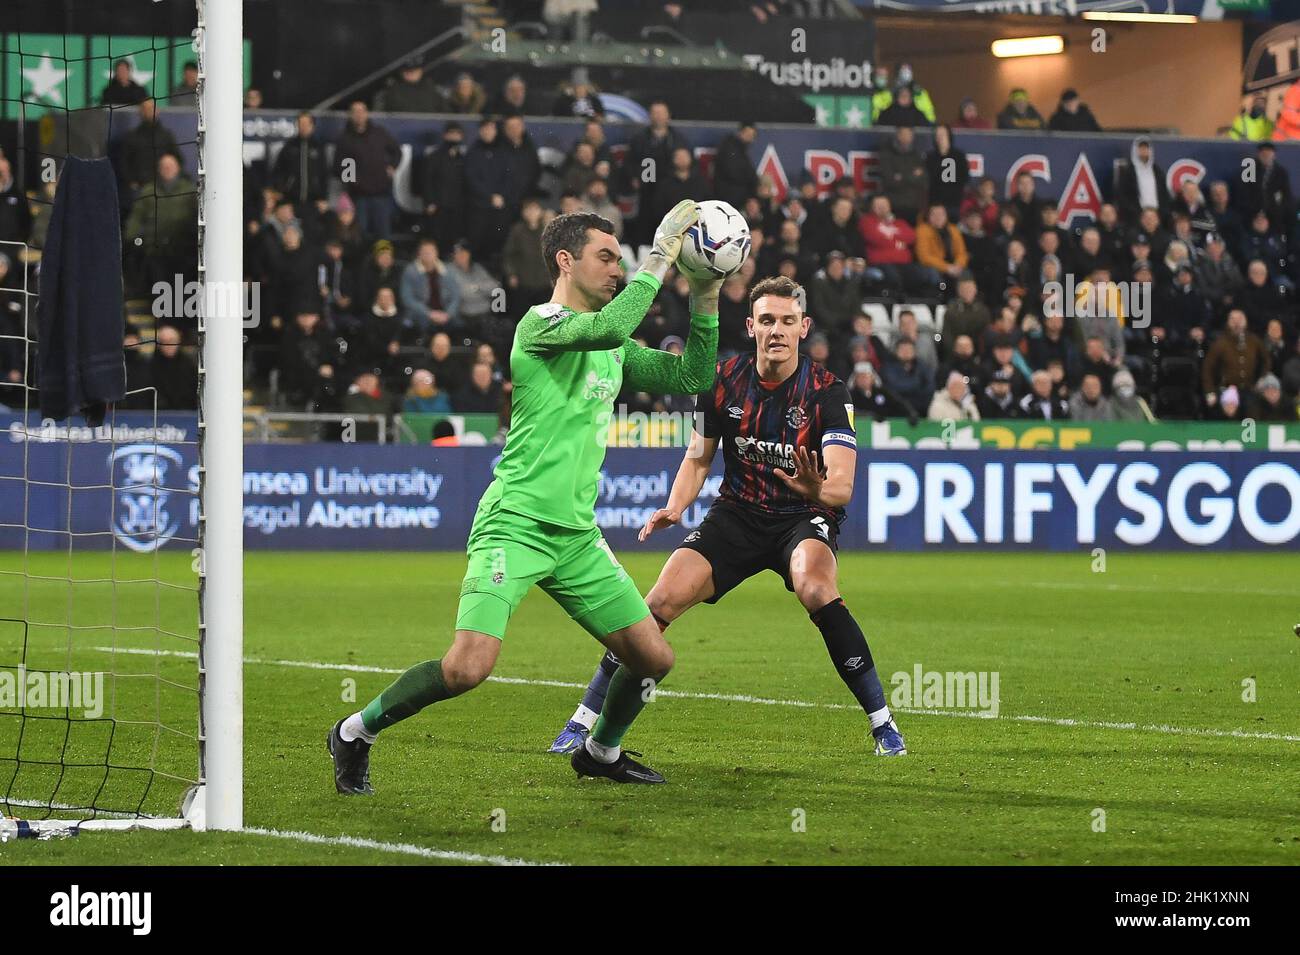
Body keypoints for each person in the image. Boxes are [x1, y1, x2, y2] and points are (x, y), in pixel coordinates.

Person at [328, 202, 723, 792]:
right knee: (467, 668)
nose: (618, 269)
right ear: (566, 261)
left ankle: (601, 752)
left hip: (576, 537)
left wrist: (706, 297)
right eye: (606, 257)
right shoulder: (540, 325)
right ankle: (355, 731)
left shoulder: (612, 348)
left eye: (622, 259)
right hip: (514, 524)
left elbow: (693, 378)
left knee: (654, 659)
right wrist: (662, 253)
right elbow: (614, 325)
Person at [549, 274, 907, 760]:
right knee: (656, 604)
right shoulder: (722, 381)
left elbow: (841, 488)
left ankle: (882, 724)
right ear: (751, 326)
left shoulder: (826, 391)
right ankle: (584, 719)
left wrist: (812, 487)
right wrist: (676, 506)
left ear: (804, 328)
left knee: (817, 589)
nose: (776, 330)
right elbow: (698, 457)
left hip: (802, 516)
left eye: (786, 321)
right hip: (737, 515)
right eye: (766, 321)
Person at [334, 101, 401, 240]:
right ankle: (363, 261)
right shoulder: (345, 138)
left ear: (366, 113)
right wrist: (354, 183)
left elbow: (396, 151)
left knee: (383, 235)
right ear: (350, 115)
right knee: (359, 235)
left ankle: (383, 261)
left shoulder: (379, 133)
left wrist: (392, 166)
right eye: (355, 111)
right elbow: (340, 166)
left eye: (361, 111)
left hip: (381, 194)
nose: (359, 115)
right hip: (359, 198)